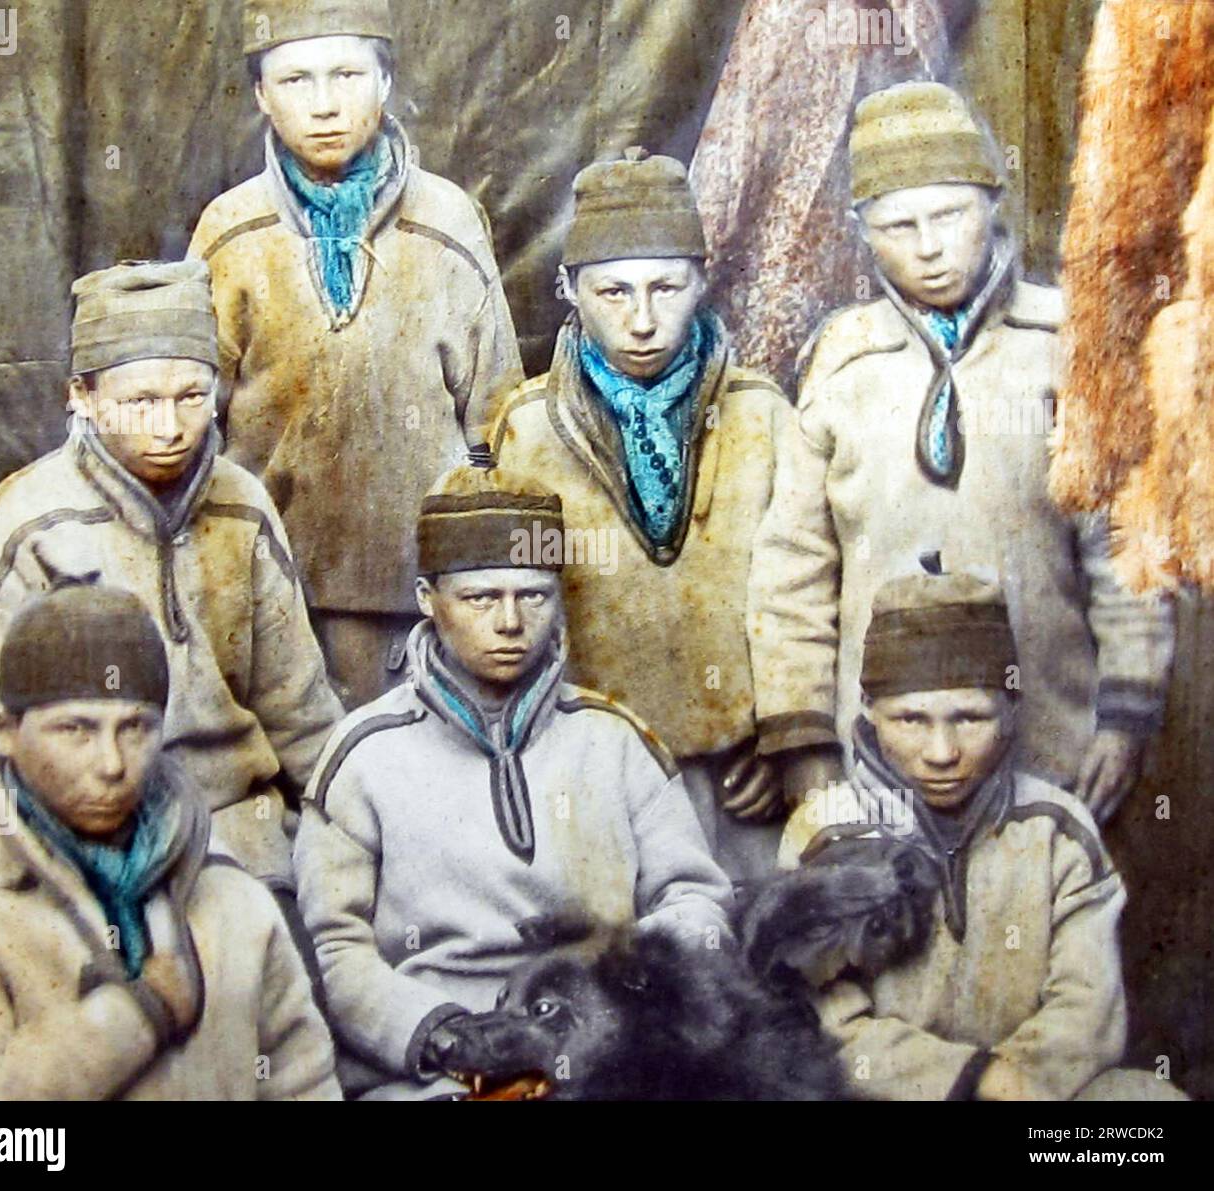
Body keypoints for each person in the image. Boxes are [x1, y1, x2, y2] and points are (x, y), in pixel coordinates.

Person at [749, 82, 1175, 824]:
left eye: (949, 214)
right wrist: (805, 742)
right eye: (898, 224)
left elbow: (1125, 549)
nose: (929, 246)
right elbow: (793, 569)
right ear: (864, 233)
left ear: (991, 203)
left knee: (1041, 911)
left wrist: (1125, 713)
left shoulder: (1066, 347)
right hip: (878, 750)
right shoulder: (840, 364)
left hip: (1052, 739)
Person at [295, 466, 733, 1099]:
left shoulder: (616, 740)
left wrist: (603, 992)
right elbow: (336, 952)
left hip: (607, 1055)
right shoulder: (363, 755)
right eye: (481, 598)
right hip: (435, 1072)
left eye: (533, 596)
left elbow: (698, 903)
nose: (510, 622)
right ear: (427, 597)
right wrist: (447, 1037)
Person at [0, 261, 343, 903]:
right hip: (78, 840)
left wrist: (359, 828)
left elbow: (300, 713)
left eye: (191, 397)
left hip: (235, 835)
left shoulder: (243, 506)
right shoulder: (30, 522)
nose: (169, 428)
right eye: (140, 402)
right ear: (81, 398)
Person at [189, 0, 522, 707]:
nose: (325, 105)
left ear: (385, 82)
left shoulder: (448, 220)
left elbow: (497, 422)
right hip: (275, 591)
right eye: (296, 80)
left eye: (346, 74)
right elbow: (193, 421)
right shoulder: (231, 231)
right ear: (260, 95)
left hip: (424, 597)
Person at [491, 148, 797, 879]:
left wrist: (786, 740)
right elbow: (513, 615)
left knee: (759, 969)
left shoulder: (763, 416)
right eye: (613, 291)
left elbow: (808, 594)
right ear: (569, 288)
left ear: (703, 278)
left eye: (666, 286)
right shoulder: (529, 429)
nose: (642, 319)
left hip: (745, 781)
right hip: (597, 775)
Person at [0, 585, 339, 1100]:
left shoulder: (231, 896)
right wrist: (131, 1019)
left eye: (135, 728)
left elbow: (304, 1082)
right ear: (8, 732)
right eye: (76, 730)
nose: (112, 763)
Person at [778, 568, 1184, 1101]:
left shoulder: (1059, 829)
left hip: (1030, 1099)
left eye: (970, 718)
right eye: (911, 720)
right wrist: (969, 1081)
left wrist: (1011, 1085)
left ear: (1011, 712)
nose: (942, 752)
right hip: (883, 1096)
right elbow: (833, 1031)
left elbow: (1088, 1012)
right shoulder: (824, 833)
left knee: (1145, 1108)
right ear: (869, 714)